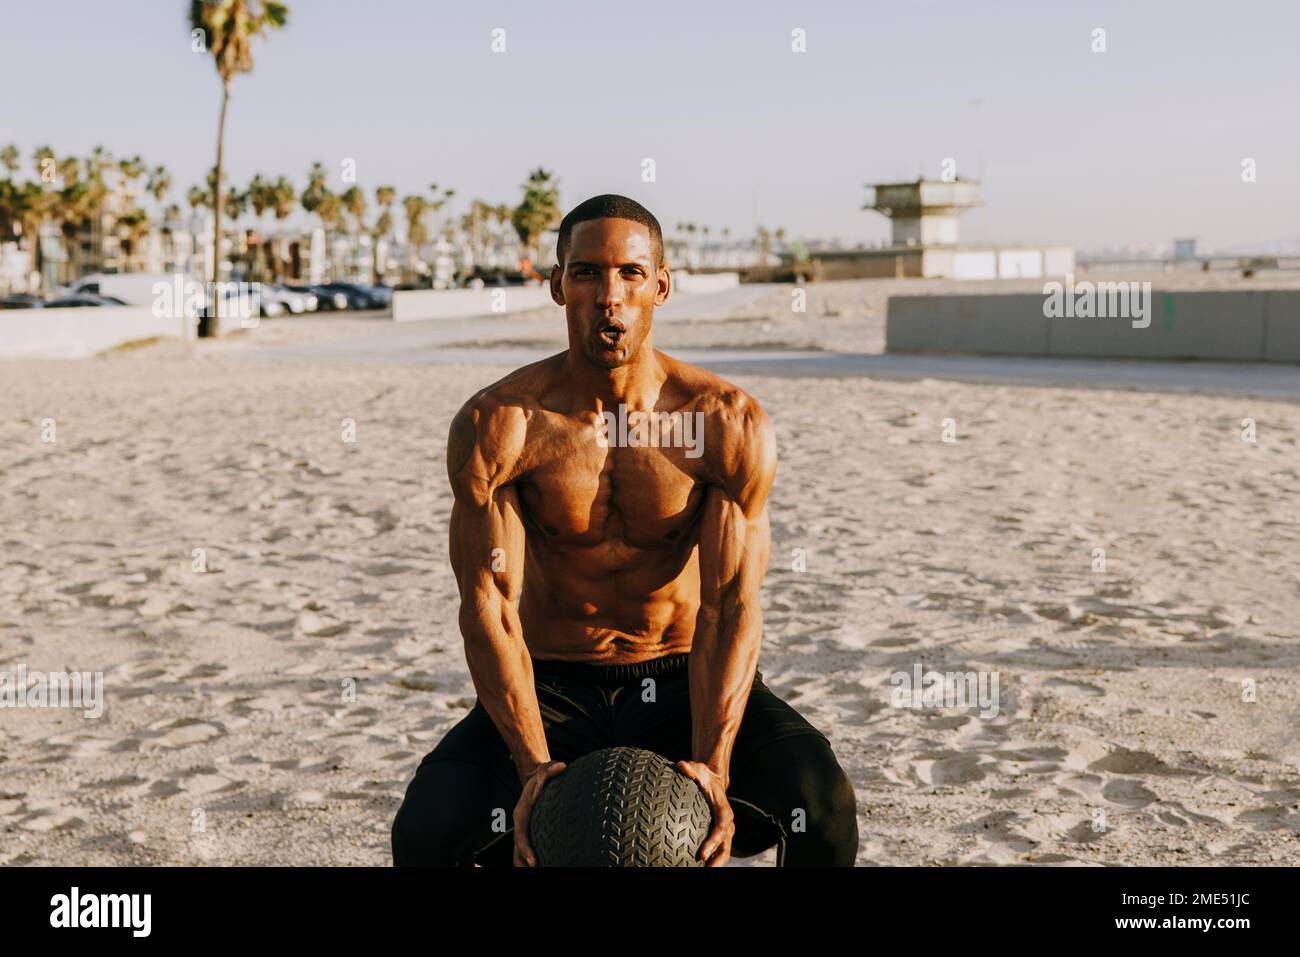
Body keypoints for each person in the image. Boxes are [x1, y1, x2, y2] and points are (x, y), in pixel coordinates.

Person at [391, 194, 858, 866]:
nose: (609, 295)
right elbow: (488, 607)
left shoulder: (724, 423)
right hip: (551, 684)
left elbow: (730, 606)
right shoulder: (501, 426)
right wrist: (530, 767)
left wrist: (714, 766)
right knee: (427, 828)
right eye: (586, 273)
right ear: (557, 285)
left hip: (679, 678)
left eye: (630, 274)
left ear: (661, 286)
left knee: (822, 806)